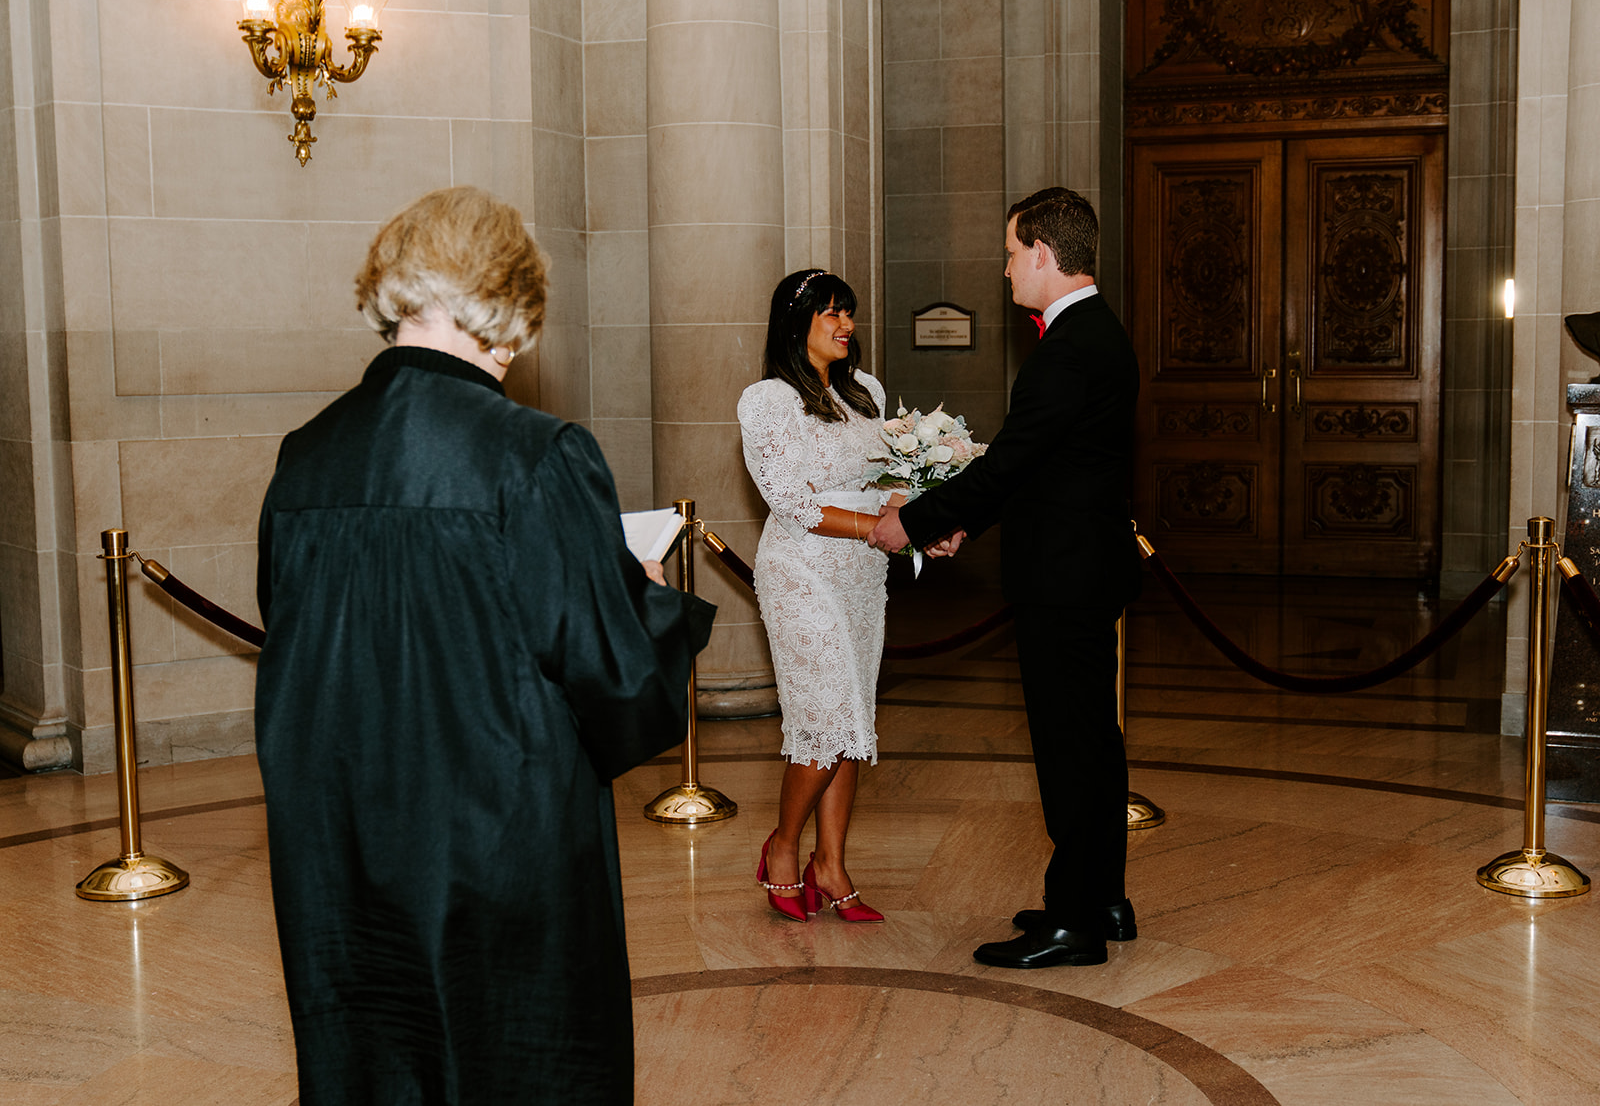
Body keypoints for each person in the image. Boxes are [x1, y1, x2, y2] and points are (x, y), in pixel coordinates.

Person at [254, 185, 715, 1104]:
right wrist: (651, 601)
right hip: (497, 851)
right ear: (513, 308)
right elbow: (615, 684)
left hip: (342, 846)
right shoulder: (536, 455)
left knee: (376, 1060)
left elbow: (291, 638)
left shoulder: (303, 454)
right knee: (512, 1060)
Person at [868, 187, 1141, 968]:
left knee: (1069, 748)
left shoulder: (1067, 347)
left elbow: (1015, 462)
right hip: (1082, 568)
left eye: (1013, 252)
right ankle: (1102, 896)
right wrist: (961, 519)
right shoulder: (1098, 333)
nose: (1006, 268)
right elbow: (1040, 469)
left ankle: (1073, 923)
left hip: (1064, 577)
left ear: (1045, 256)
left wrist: (913, 522)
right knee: (1094, 740)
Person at [737, 269, 898, 924]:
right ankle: (782, 845)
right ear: (794, 323)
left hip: (864, 574)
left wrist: (904, 512)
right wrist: (876, 525)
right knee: (825, 721)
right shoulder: (769, 400)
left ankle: (829, 864)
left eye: (849, 313)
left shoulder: (869, 393)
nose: (845, 325)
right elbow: (793, 501)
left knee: (854, 724)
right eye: (832, 313)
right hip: (801, 570)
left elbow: (892, 475)